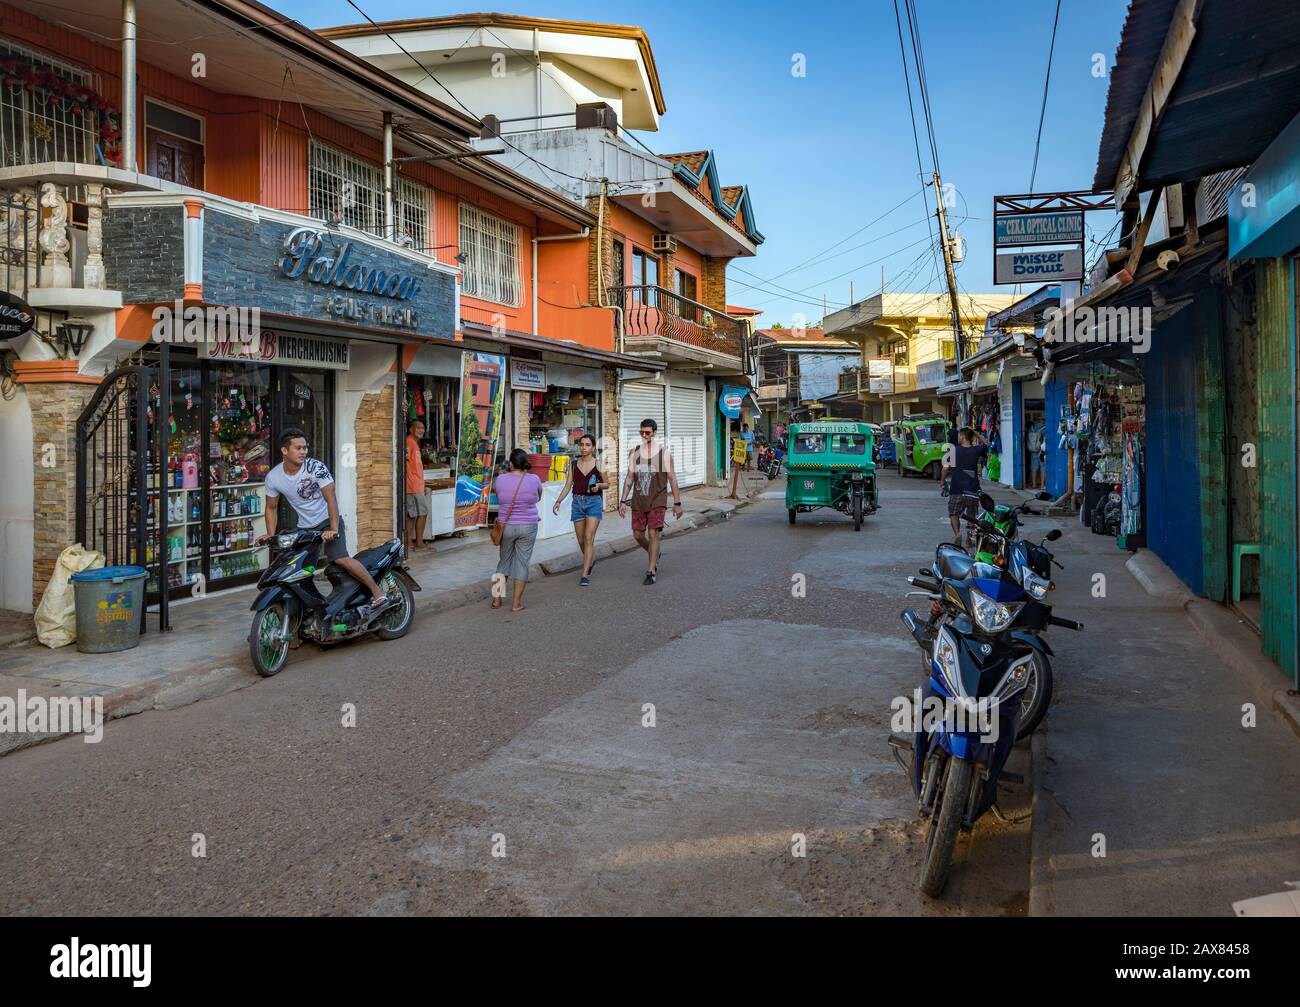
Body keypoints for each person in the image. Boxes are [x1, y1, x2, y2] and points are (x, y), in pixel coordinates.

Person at [262, 428, 390, 614]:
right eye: (298, 448)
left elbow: (331, 499)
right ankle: (306, 615)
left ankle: (377, 592)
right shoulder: (274, 477)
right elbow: (271, 508)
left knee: (341, 558)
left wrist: (333, 528)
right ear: (284, 451)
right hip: (305, 527)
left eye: (305, 448)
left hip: (328, 520)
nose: (303, 452)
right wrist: (271, 535)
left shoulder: (315, 468)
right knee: (298, 570)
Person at [618, 418, 682, 585]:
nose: (644, 435)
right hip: (639, 500)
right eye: (641, 432)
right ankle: (654, 553)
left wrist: (677, 503)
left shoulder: (664, 454)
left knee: (653, 534)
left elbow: (672, 479)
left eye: (647, 432)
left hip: (657, 499)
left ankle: (651, 570)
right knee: (638, 535)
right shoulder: (634, 453)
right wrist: (623, 500)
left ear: (654, 433)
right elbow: (629, 478)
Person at [491, 449, 542, 612]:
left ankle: (497, 600)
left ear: (511, 464)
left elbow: (498, 495)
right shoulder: (534, 479)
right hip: (528, 526)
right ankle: (516, 604)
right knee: (521, 563)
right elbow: (538, 497)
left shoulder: (501, 479)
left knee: (503, 562)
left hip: (506, 526)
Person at [552, 433, 607, 586]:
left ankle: (585, 574)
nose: (584, 447)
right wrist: (558, 501)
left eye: (587, 445)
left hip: (593, 502)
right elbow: (568, 484)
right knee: (581, 540)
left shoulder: (599, 464)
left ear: (593, 447)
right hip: (577, 502)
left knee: (589, 538)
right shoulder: (573, 464)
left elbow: (607, 484)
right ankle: (590, 560)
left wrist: (599, 486)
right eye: (581, 444)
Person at [940, 426, 989, 546]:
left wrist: (942, 482)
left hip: (957, 489)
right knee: (971, 517)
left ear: (962, 437)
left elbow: (945, 468)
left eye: (958, 436)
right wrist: (975, 433)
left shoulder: (953, 450)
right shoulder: (976, 450)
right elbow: (986, 444)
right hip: (973, 489)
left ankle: (957, 533)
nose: (957, 438)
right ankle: (969, 539)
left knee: (953, 513)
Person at [405, 419, 429, 552]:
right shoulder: (409, 442)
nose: (421, 430)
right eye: (418, 428)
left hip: (415, 484)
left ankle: (409, 543)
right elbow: (404, 462)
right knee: (423, 513)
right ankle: (419, 544)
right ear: (411, 429)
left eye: (423, 428)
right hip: (413, 485)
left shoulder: (414, 443)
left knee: (411, 515)